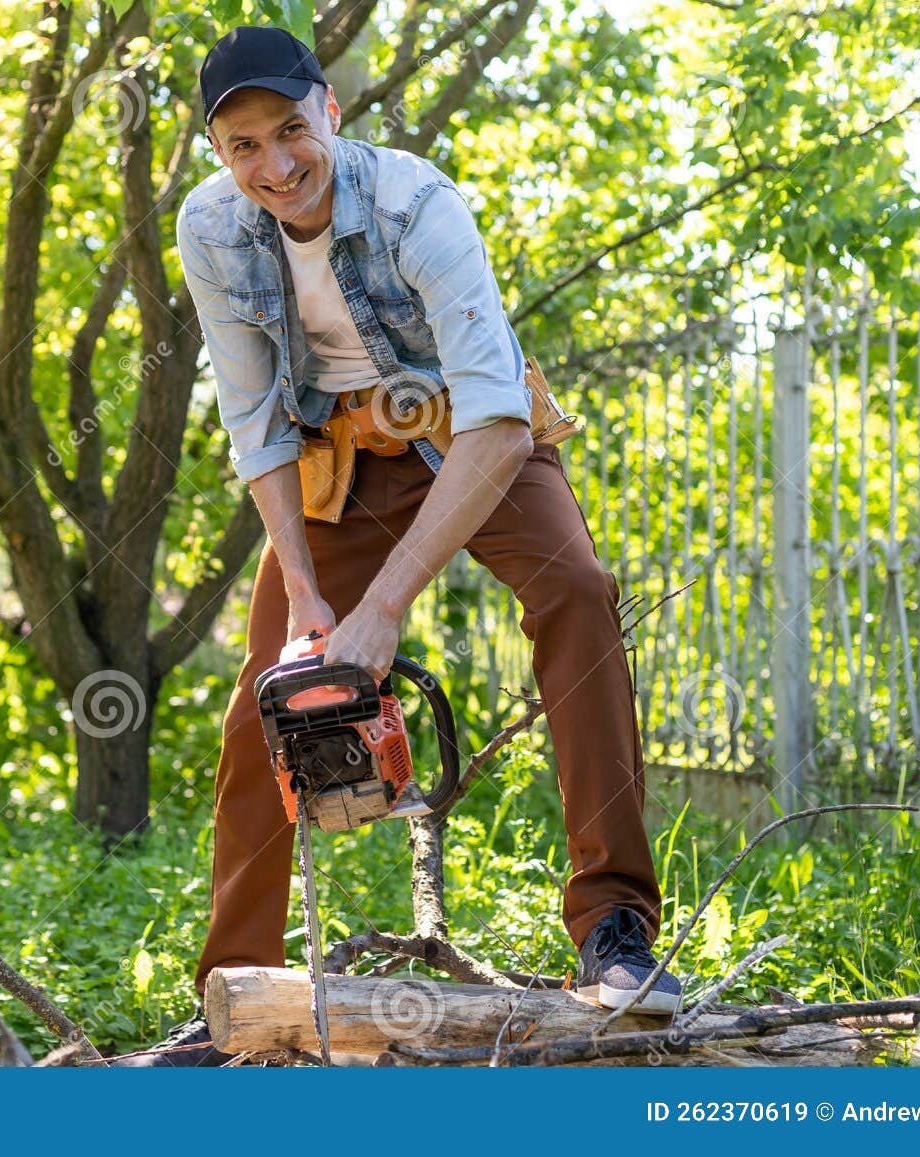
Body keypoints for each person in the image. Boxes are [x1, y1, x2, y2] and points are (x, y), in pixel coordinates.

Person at [113, 25, 680, 1067]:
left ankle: (614, 930)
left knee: (579, 595)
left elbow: (499, 415)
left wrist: (384, 610)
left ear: (328, 110)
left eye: (289, 131)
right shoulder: (210, 228)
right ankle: (231, 988)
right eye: (242, 146)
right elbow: (254, 419)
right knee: (263, 694)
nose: (274, 165)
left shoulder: (418, 203)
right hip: (333, 461)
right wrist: (307, 595)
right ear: (216, 153)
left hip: (467, 435)